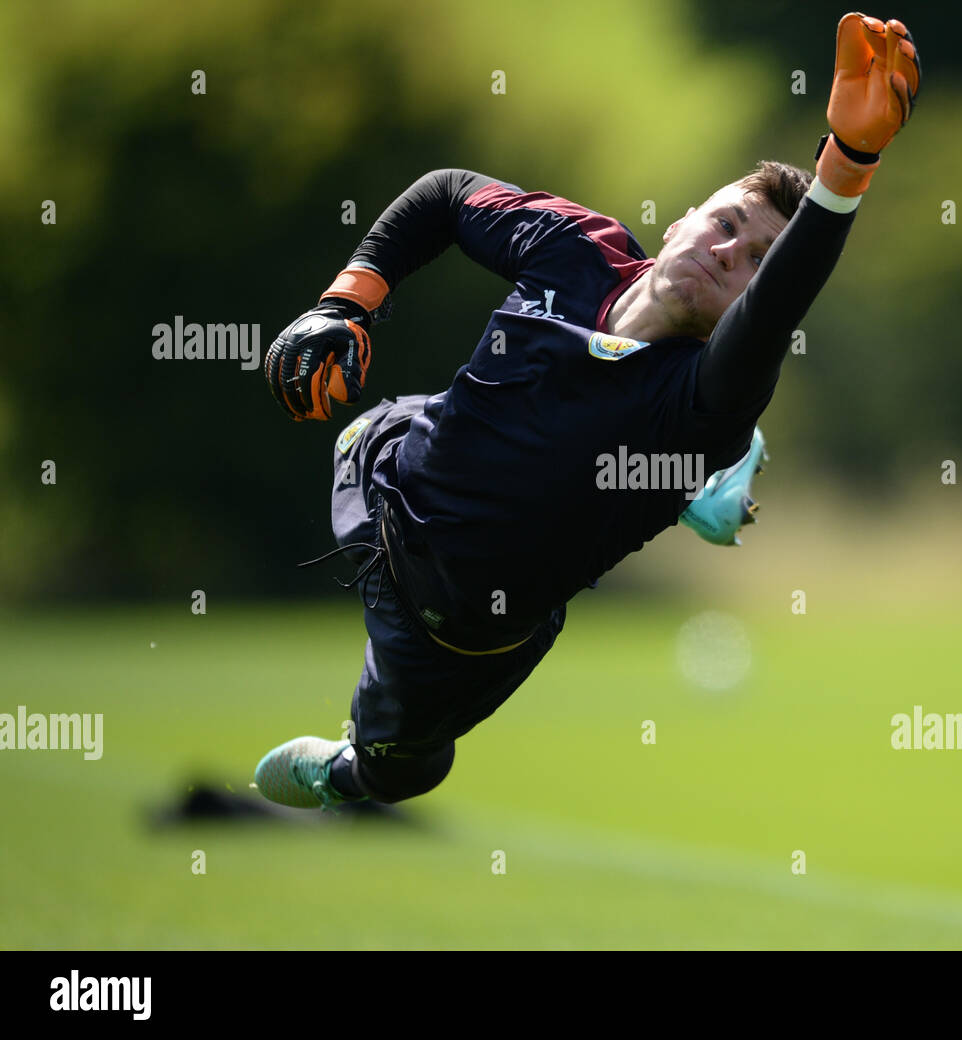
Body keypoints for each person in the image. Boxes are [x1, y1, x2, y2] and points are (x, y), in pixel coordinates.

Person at [253, 13, 920, 809]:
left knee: (393, 773)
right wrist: (348, 303)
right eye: (724, 224)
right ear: (681, 223)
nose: (723, 252)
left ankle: (705, 474)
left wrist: (847, 166)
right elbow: (445, 196)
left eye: (753, 263)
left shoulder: (705, 392)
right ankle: (702, 483)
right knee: (379, 431)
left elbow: (778, 306)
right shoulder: (579, 247)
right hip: (389, 458)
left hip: (459, 629)